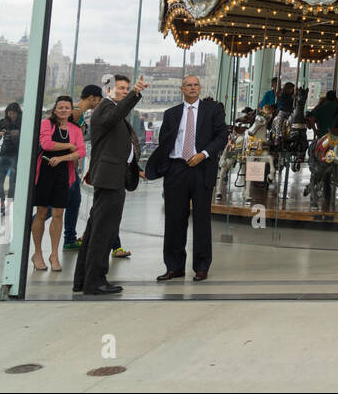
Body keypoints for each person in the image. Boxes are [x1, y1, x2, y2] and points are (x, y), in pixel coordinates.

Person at [147, 74, 229, 282]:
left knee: (202, 220)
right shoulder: (171, 114)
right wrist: (161, 168)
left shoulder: (213, 110)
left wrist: (204, 154)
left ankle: (201, 266)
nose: (193, 88)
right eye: (188, 85)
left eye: (196, 85)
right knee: (174, 220)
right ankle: (174, 267)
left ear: (199, 89)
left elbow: (222, 136)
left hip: (202, 168)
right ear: (182, 89)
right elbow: (164, 142)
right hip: (176, 170)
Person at [73, 74, 145, 296]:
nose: (124, 91)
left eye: (126, 89)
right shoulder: (106, 109)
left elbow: (119, 147)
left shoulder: (111, 110)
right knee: (103, 231)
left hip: (113, 177)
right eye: (120, 89)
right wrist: (135, 94)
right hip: (109, 179)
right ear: (108, 91)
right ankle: (95, 281)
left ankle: (83, 279)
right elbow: (114, 117)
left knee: (95, 228)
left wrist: (135, 168)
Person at [30, 96, 85, 274]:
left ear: (71, 111)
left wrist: (62, 157)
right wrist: (69, 145)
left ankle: (54, 254)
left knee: (58, 213)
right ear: (55, 110)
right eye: (60, 107)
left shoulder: (75, 129)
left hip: (63, 174)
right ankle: (37, 253)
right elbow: (46, 144)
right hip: (45, 172)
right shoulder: (47, 124)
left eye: (67, 107)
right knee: (41, 212)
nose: (63, 110)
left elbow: (81, 151)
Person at [64, 84, 102, 250]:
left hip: (71, 167)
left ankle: (70, 239)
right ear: (92, 98)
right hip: (66, 167)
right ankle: (28, 227)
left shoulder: (78, 113)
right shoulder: (77, 112)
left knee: (74, 201)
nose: (99, 104)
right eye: (98, 100)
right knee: (55, 206)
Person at [0, 102, 22, 216]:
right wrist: (0, 134)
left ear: (18, 113)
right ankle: (1, 206)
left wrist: (18, 134)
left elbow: (28, 139)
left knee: (12, 183)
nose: (12, 115)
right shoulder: (2, 122)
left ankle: (9, 207)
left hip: (16, 155)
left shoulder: (22, 123)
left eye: (14, 113)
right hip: (3, 154)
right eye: (10, 113)